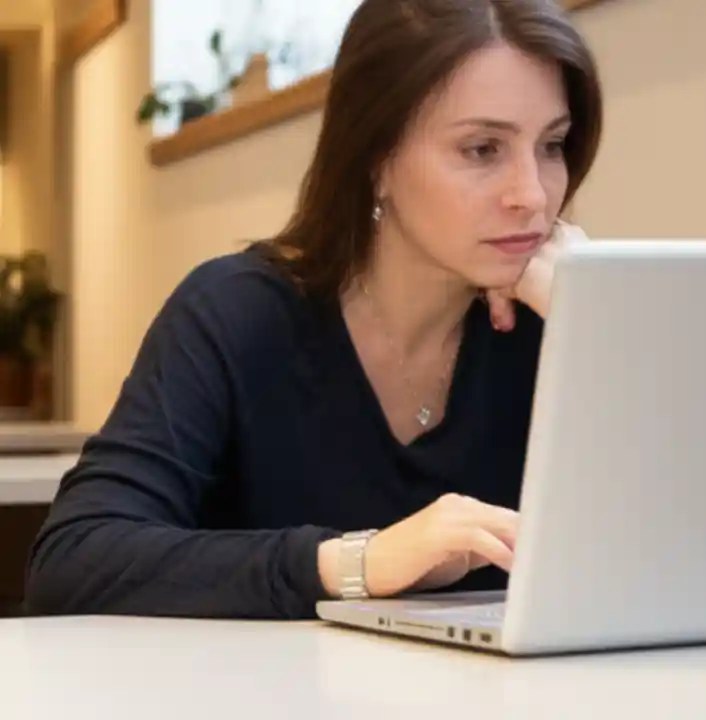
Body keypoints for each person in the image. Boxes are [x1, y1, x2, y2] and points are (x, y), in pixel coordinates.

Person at [24, 0, 603, 619]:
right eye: (483, 149)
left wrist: (600, 329)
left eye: (552, 145)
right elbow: (72, 562)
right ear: (376, 159)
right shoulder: (235, 314)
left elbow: (691, 547)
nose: (533, 194)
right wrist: (357, 563)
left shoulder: (551, 319)